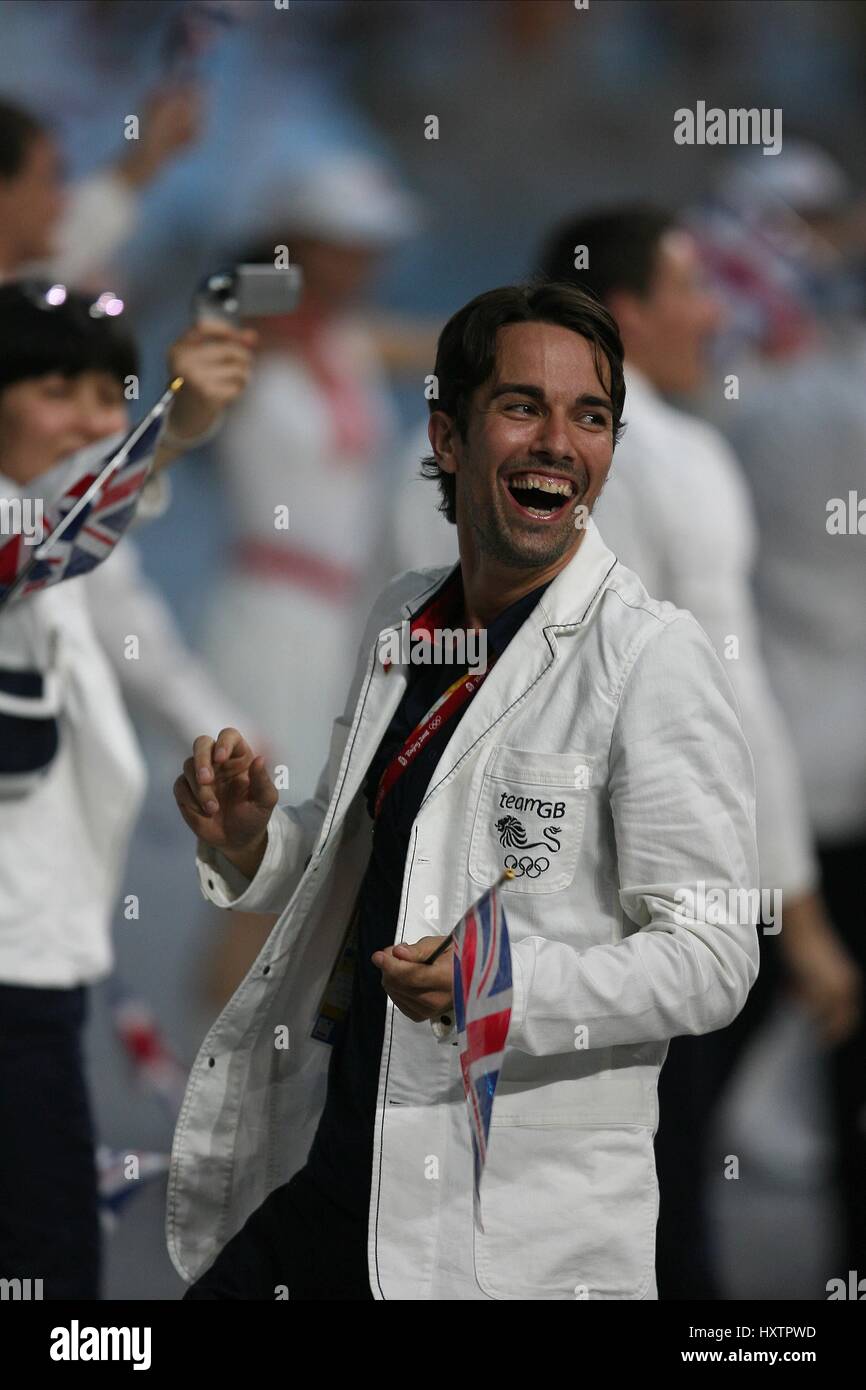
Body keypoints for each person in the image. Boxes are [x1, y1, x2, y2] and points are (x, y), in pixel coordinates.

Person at [169, 281, 759, 1301]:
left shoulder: (649, 658)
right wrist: (257, 841)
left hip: (506, 1240)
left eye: (590, 416)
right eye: (521, 406)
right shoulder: (408, 615)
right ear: (447, 434)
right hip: (335, 1178)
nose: (557, 443)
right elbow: (377, 858)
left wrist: (503, 986)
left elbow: (712, 955)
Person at [540, 206, 861, 1298]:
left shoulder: (465, 448)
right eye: (692, 288)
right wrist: (801, 913)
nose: (714, 311)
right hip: (693, 861)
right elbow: (733, 697)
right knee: (664, 1161)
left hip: (539, 877)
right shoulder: (676, 460)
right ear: (629, 312)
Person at [0, 282, 255, 1299]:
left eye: (113, 393)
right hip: (13, 977)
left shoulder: (45, 538)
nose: (93, 419)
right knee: (52, 1267)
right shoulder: (31, 539)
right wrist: (173, 432)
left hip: (41, 963)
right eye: (60, 389)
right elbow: (52, 540)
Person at [0, 87, 201, 284]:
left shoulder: (25, 285)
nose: (60, 205)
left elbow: (95, 215)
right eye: (46, 182)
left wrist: (152, 146)